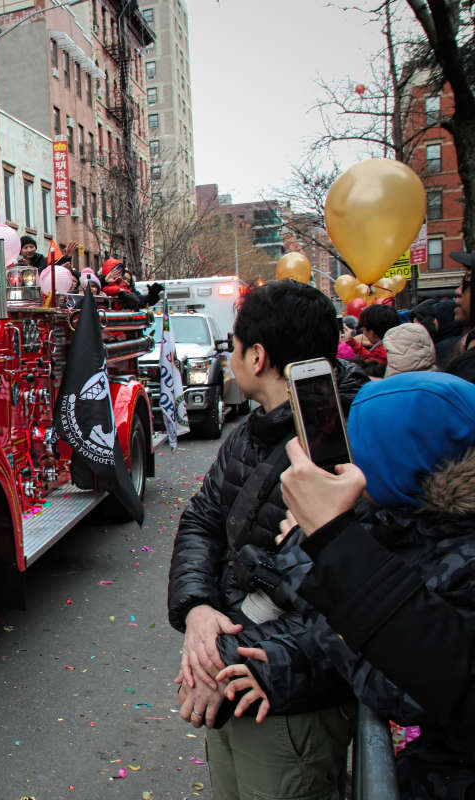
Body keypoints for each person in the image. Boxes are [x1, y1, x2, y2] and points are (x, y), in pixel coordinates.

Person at [167, 281, 358, 800]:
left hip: (285, 708)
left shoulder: (342, 450)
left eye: (232, 345)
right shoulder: (250, 434)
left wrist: (217, 661)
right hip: (235, 687)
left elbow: (344, 608)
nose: (227, 357)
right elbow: (202, 521)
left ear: (257, 356)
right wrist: (198, 612)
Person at [272, 372, 475, 797]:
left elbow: (398, 684)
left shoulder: (459, 561)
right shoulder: (411, 528)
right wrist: (276, 662)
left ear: (391, 466)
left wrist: (313, 561)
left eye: (359, 451)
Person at [347, 304, 400, 371]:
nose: (363, 333)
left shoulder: (380, 359)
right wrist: (351, 342)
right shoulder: (399, 344)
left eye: (363, 329)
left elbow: (372, 358)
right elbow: (370, 355)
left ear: (372, 332)